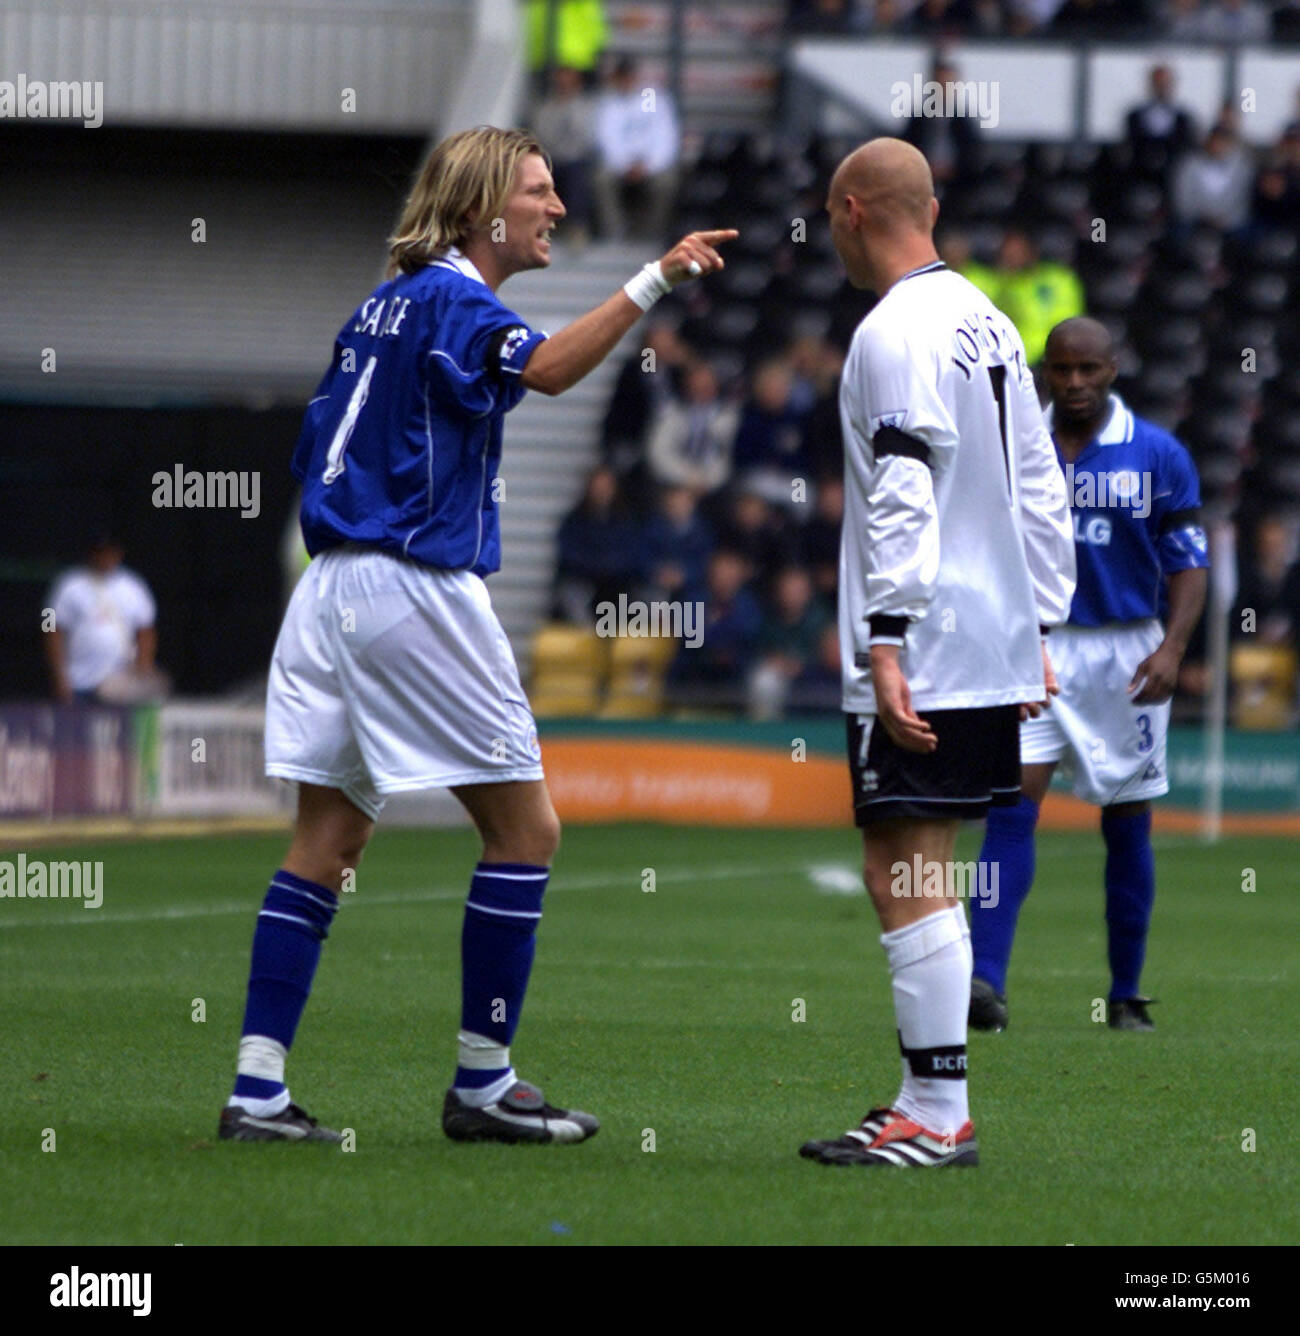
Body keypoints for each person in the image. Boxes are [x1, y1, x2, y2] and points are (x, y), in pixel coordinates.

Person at [220, 124, 735, 1145]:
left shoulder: (382, 303)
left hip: (328, 588)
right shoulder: (458, 299)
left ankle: (257, 1091)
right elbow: (545, 372)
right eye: (537, 191)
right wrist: (654, 280)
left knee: (328, 836)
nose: (553, 207)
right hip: (412, 584)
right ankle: (484, 1082)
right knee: (526, 830)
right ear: (478, 210)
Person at [798, 139, 1076, 1169]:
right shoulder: (991, 321)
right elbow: (1042, 490)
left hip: (922, 645)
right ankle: (923, 1097)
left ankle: (939, 1114)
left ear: (853, 208)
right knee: (910, 866)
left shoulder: (891, 331)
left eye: (828, 214)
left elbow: (903, 490)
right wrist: (1037, 626)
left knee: (907, 865)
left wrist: (883, 640)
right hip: (981, 637)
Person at [968, 317, 1209, 1034]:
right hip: (1034, 646)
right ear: (1044, 372)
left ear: (1114, 368)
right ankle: (985, 983)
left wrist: (1171, 649)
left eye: (1088, 370)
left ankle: (1127, 991)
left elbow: (1189, 564)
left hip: (1125, 653)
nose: (1074, 383)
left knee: (1127, 824)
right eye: (1061, 370)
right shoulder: (1015, 443)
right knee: (1011, 809)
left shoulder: (1157, 454)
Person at [44, 533, 159, 705]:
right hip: (78, 682)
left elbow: (146, 629)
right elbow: (50, 627)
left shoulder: (134, 586)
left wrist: (143, 666)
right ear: (91, 554)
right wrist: (59, 676)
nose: (106, 558)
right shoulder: (68, 585)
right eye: (101, 552)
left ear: (119, 554)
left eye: (110, 552)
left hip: (121, 684)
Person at [593, 57, 681, 242]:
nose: (626, 81)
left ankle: (649, 235)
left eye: (629, 76)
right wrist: (625, 164)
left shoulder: (649, 97)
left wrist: (648, 165)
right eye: (621, 77)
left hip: (649, 162)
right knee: (601, 179)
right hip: (621, 164)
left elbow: (663, 135)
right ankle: (615, 234)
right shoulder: (609, 102)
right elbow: (606, 140)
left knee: (666, 183)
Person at [1125, 64, 1197, 184]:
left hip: (1174, 179)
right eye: (1158, 84)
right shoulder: (1134, 117)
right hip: (1140, 178)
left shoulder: (1183, 120)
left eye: (1165, 83)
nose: (1161, 88)